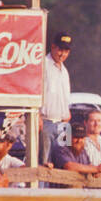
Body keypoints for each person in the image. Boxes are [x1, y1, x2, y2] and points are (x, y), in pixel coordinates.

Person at [40, 31, 73, 166]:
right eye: (60, 49)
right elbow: (36, 91)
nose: (63, 54)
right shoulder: (43, 65)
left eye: (66, 51)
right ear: (53, 47)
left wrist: (67, 112)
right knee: (45, 163)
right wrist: (37, 116)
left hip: (63, 124)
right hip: (46, 122)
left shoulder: (64, 71)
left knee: (65, 163)